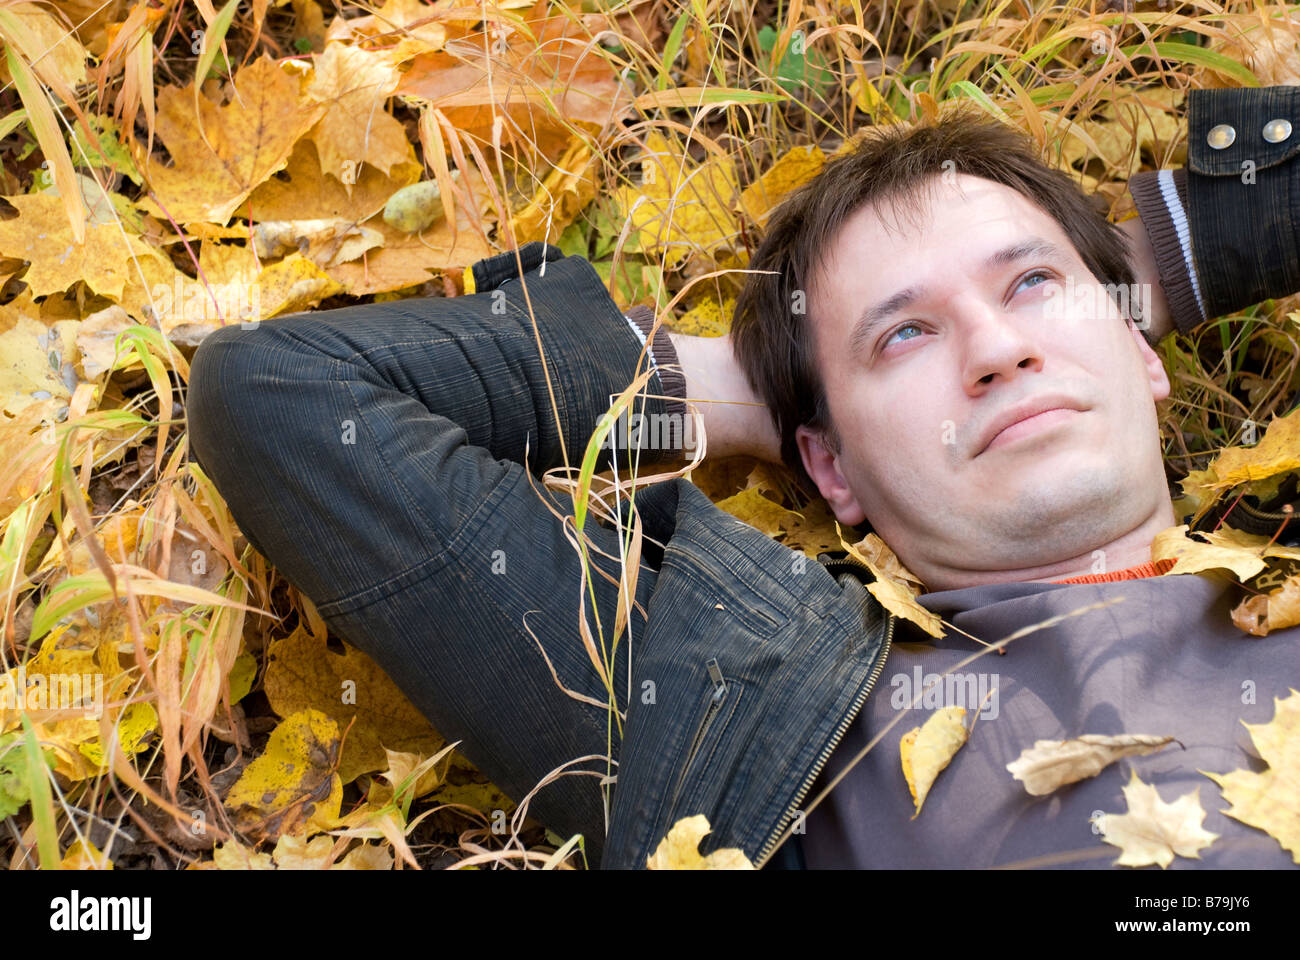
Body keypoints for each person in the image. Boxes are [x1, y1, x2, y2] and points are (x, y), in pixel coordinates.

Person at [186, 86, 1300, 869]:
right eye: (902, 337)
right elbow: (281, 394)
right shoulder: (729, 699)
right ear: (825, 464)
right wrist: (732, 384)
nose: (996, 349)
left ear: (1145, 349)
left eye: (1031, 287)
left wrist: (1174, 258)